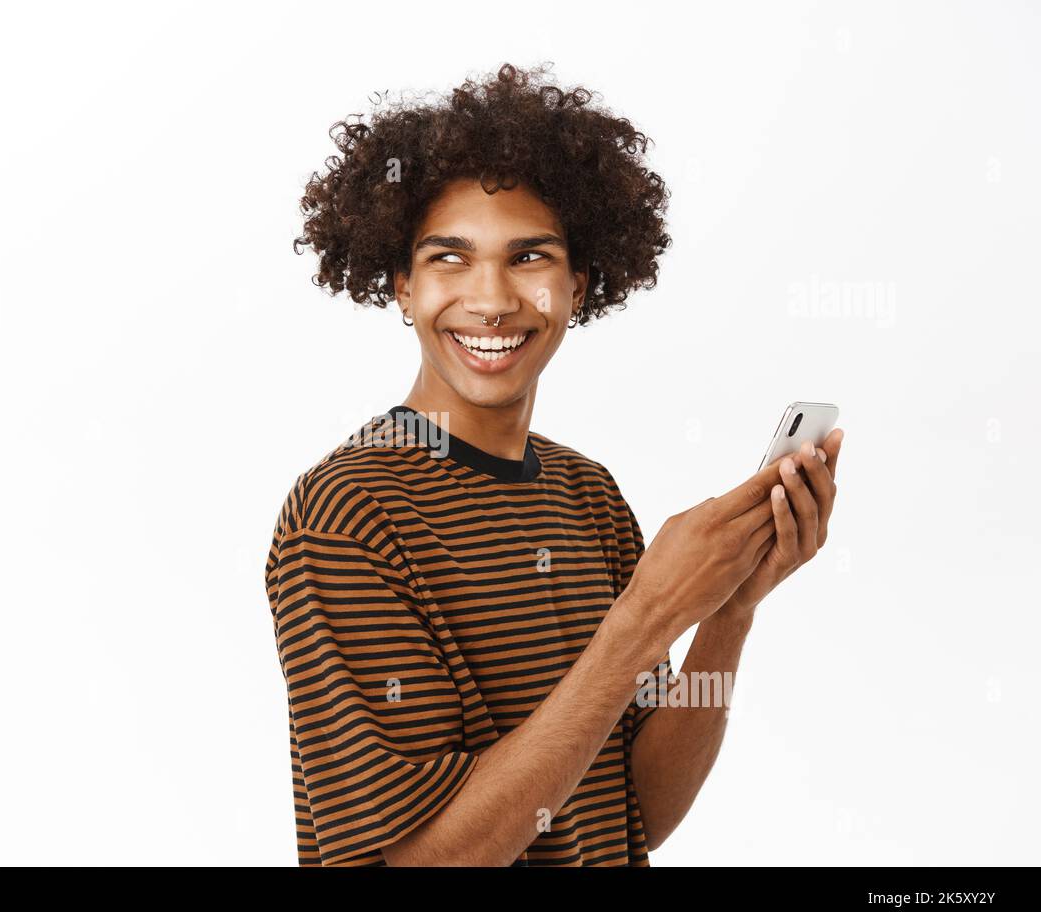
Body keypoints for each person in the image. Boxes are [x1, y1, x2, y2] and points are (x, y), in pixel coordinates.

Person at [264, 62, 844, 866]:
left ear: (579, 284)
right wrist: (641, 620)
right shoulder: (347, 514)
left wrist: (726, 612)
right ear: (400, 286)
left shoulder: (589, 497)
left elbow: (631, 812)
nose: (493, 299)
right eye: (449, 259)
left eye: (530, 258)